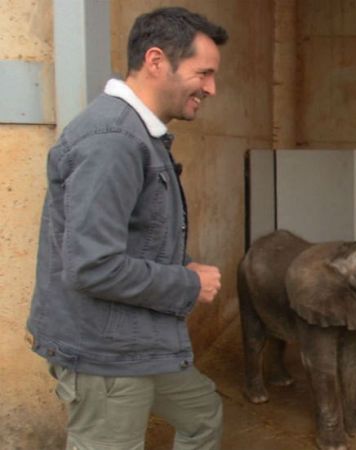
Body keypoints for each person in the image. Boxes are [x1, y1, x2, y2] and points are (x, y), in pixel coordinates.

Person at [26, 7, 228, 449]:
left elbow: (127, 235)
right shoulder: (113, 141)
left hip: (140, 337)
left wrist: (179, 263)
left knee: (202, 414)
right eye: (204, 73)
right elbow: (93, 267)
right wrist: (186, 283)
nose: (211, 88)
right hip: (104, 353)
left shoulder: (138, 134)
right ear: (157, 61)